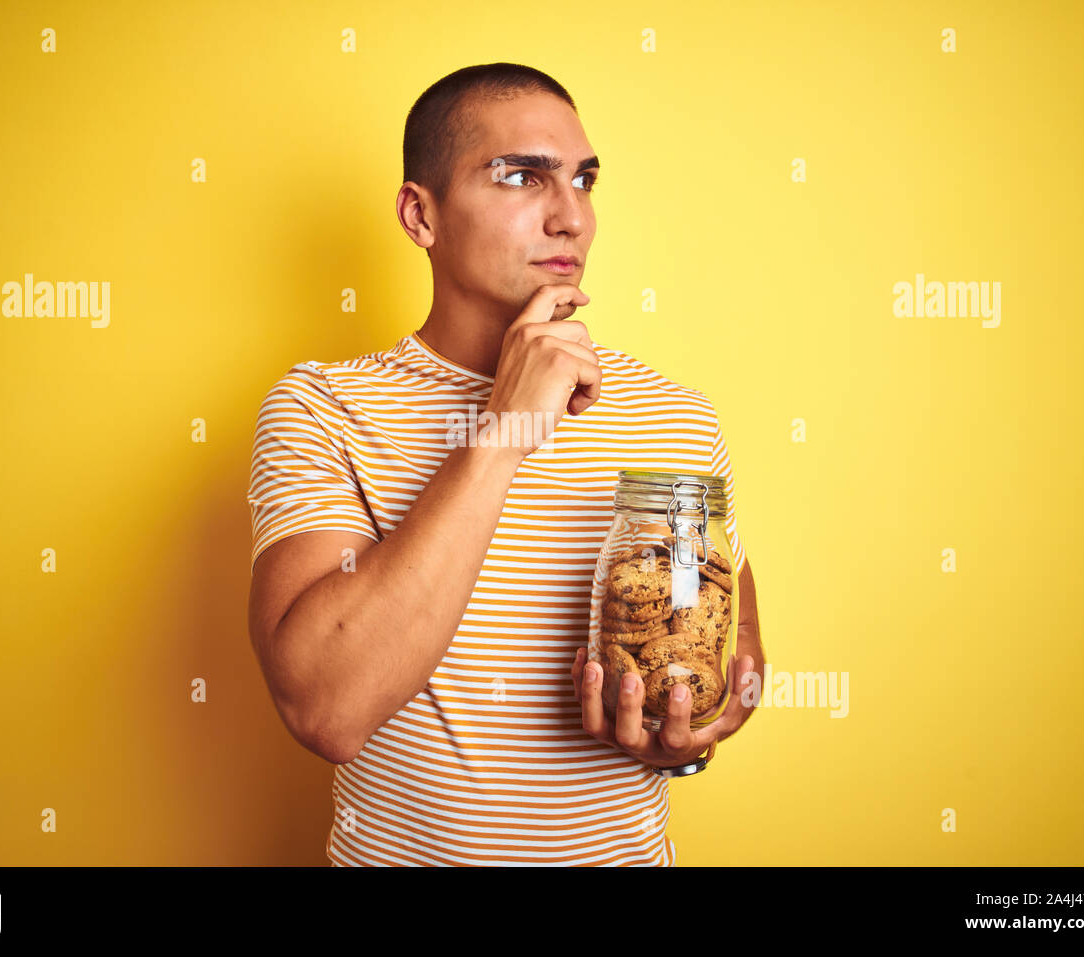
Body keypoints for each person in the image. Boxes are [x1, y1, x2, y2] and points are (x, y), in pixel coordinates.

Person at [246, 63, 764, 866]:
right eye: (523, 176)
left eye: (584, 180)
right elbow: (325, 708)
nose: (572, 218)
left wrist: (685, 739)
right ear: (421, 215)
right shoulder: (324, 407)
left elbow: (728, 664)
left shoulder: (677, 412)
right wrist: (509, 424)